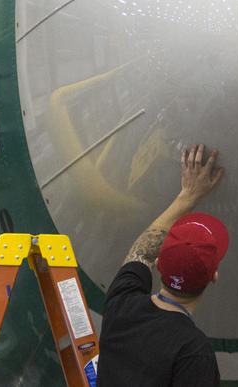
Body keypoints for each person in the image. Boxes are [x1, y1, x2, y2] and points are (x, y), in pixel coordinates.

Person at [97, 143, 227, 386]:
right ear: (214, 276)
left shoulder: (122, 304)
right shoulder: (193, 353)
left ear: (158, 264)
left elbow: (141, 252)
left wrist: (187, 196)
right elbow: (142, 254)